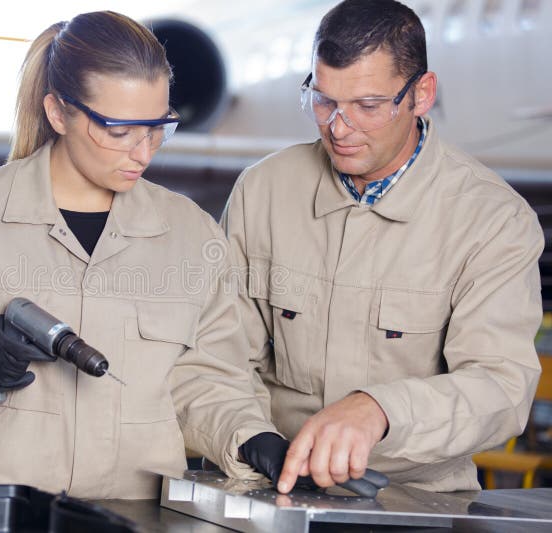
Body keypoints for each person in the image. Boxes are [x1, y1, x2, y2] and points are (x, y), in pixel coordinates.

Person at [0, 11, 288, 499]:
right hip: (2, 515)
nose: (143, 152)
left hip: (134, 517)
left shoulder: (192, 237)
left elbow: (207, 382)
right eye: (119, 131)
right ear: (59, 113)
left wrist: (253, 438)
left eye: (158, 127)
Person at [221, 0, 544, 493]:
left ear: (422, 94)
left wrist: (380, 410)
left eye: (368, 106)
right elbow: (216, 354)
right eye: (324, 100)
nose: (339, 127)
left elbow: (501, 388)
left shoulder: (493, 220)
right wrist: (250, 437)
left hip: (419, 503)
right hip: (270, 487)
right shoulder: (260, 191)